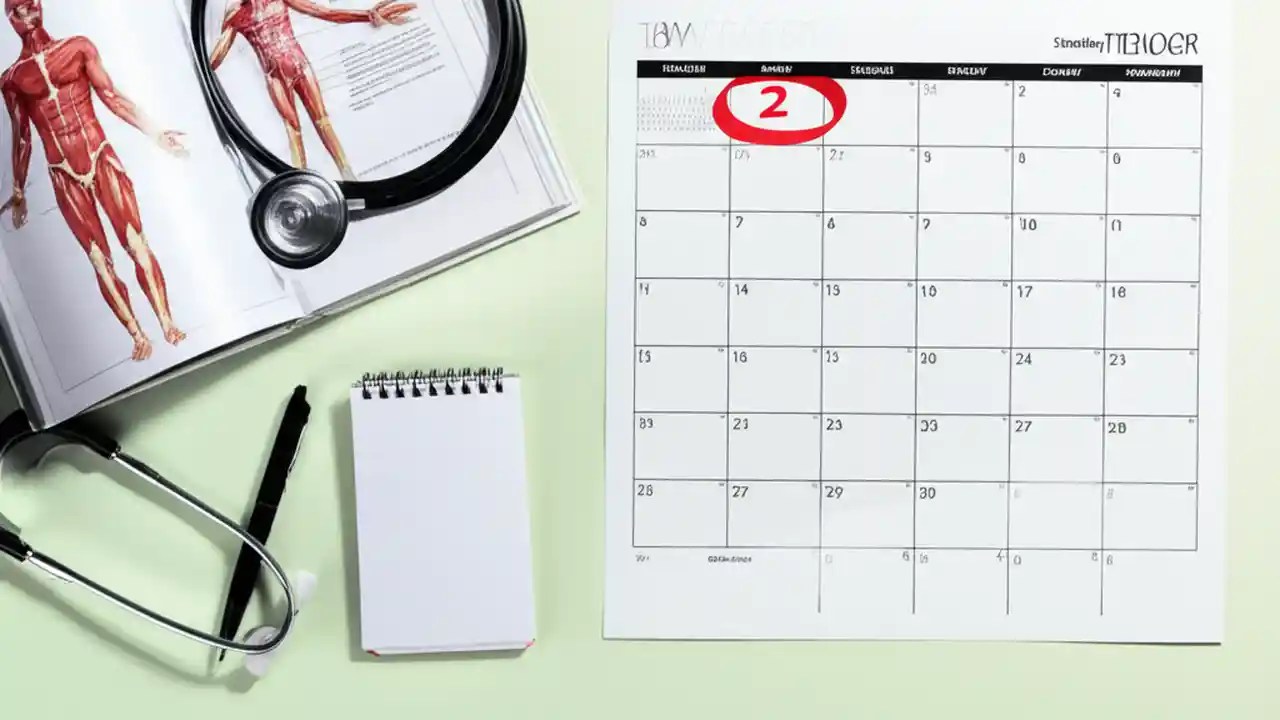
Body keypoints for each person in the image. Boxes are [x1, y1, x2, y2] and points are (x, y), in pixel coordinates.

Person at [0, 0, 187, 362]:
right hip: (63, 174)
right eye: (15, 11)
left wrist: (156, 133)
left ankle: (166, 323)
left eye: (29, 6)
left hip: (100, 157)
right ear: (8, 18)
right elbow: (22, 136)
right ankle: (137, 334)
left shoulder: (78, 47)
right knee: (100, 260)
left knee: (135, 242)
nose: (25, 17)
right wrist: (19, 190)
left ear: (39, 5)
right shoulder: (11, 78)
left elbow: (111, 97)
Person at [211, 0, 416, 181]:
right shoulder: (236, 12)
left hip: (299, 66)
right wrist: (196, 72)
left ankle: (347, 173)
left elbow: (323, 12)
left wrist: (366, 16)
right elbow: (218, 54)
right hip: (275, 76)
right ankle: (300, 182)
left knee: (322, 121)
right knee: (293, 129)